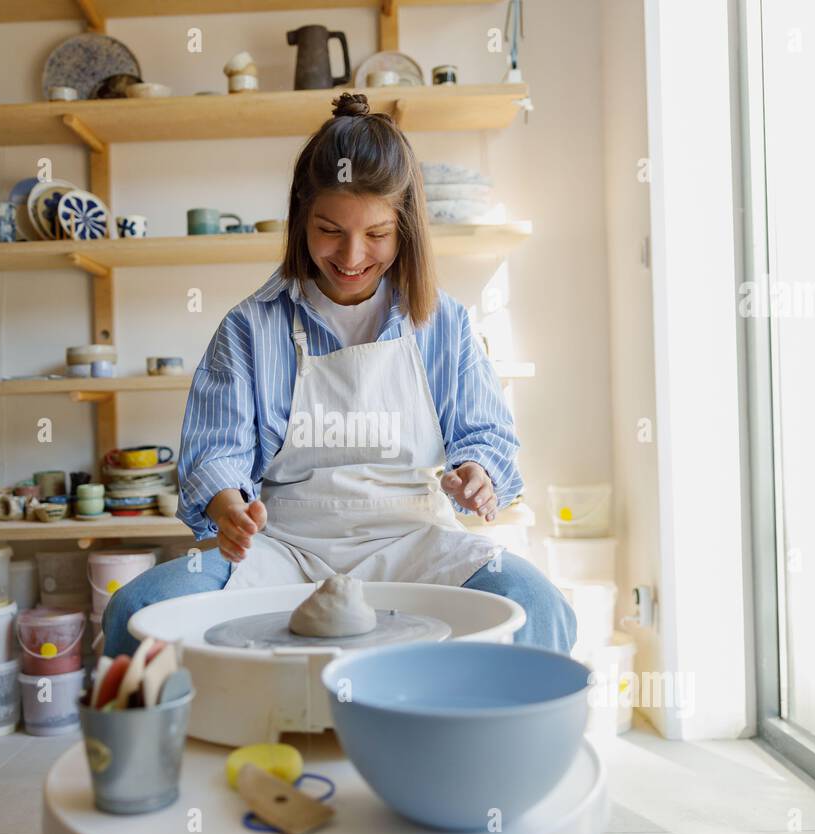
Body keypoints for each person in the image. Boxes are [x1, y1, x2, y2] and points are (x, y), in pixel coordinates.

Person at [102, 92, 576, 655]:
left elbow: (485, 435)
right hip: (282, 548)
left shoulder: (442, 322)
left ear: (406, 229)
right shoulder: (251, 327)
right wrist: (228, 508)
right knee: (136, 613)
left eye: (376, 234)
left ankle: (498, 743)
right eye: (330, 229)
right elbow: (216, 453)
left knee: (537, 606)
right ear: (301, 217)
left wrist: (476, 472)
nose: (352, 256)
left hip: (414, 542)